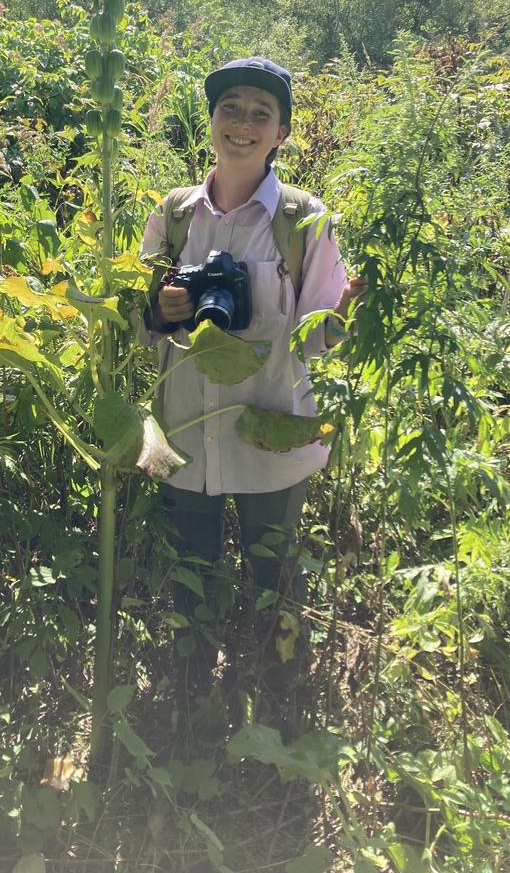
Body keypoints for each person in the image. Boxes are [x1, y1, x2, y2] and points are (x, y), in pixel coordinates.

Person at [140, 57, 365, 689]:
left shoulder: (303, 219)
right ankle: (191, 682)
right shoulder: (174, 214)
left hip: (271, 432)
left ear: (280, 132)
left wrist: (346, 313)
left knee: (274, 570)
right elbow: (138, 322)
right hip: (184, 434)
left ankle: (279, 682)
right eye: (230, 108)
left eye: (260, 113)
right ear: (211, 121)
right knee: (192, 566)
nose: (243, 123)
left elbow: (317, 339)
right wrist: (159, 309)